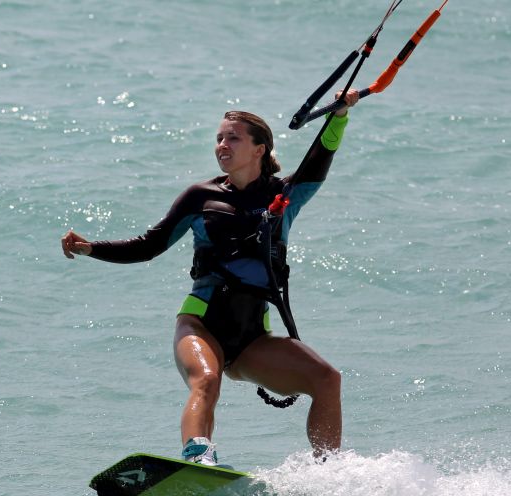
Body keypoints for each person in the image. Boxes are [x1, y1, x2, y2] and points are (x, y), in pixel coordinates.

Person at [61, 90, 360, 465]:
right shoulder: (199, 197)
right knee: (206, 379)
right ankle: (199, 459)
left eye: (233, 137)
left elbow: (320, 159)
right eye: (219, 138)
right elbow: (149, 245)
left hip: (252, 335)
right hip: (200, 320)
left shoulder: (284, 195)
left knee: (327, 379)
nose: (222, 145)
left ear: (259, 149)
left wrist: (340, 115)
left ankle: (328, 474)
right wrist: (92, 248)